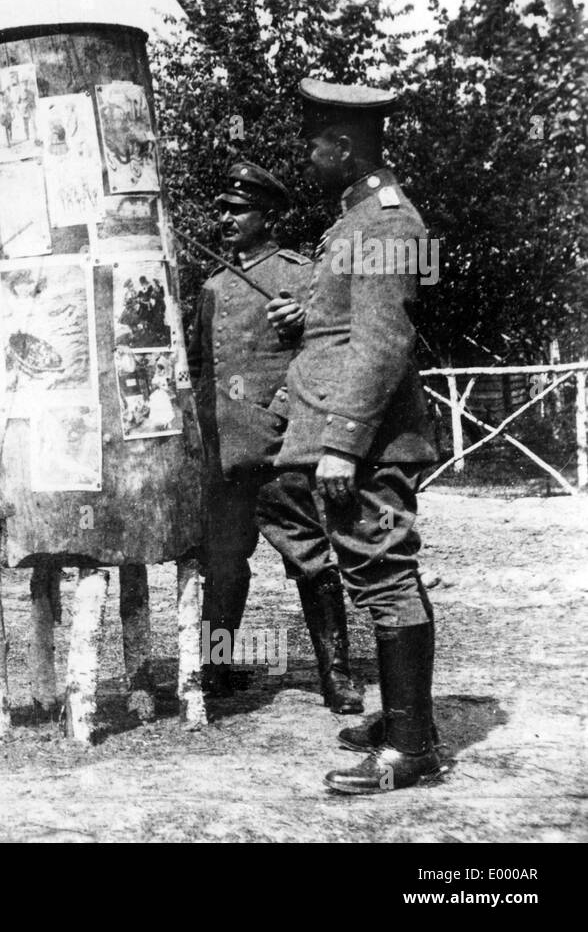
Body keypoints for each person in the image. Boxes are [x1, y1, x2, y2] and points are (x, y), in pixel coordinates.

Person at [267, 79, 441, 793]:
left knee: (384, 568)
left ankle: (410, 748)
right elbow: (343, 324)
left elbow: (381, 341)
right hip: (347, 429)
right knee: (371, 567)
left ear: (343, 145)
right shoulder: (356, 220)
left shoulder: (387, 225)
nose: (308, 156)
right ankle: (410, 720)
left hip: (367, 441)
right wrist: (301, 315)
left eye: (315, 142)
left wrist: (343, 441)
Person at [186, 161, 363, 713]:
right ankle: (217, 670)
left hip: (279, 450)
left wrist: (304, 328)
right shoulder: (212, 285)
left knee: (310, 560)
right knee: (223, 562)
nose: (225, 219)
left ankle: (337, 678)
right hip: (224, 454)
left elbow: (330, 352)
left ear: (268, 216)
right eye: (221, 209)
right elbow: (198, 370)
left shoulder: (301, 276)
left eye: (238, 210)